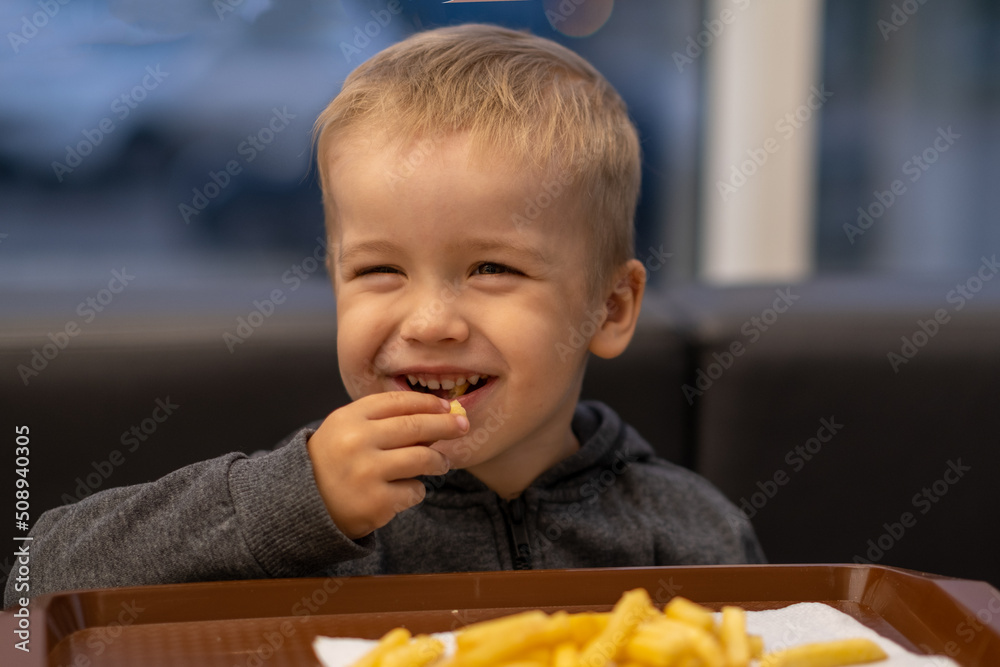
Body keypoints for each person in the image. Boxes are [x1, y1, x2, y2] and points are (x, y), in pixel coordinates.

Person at [4, 23, 762, 607]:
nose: (429, 322)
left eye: (492, 269)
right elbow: (36, 583)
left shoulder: (690, 533)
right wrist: (296, 504)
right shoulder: (303, 504)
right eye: (380, 270)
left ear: (611, 307)